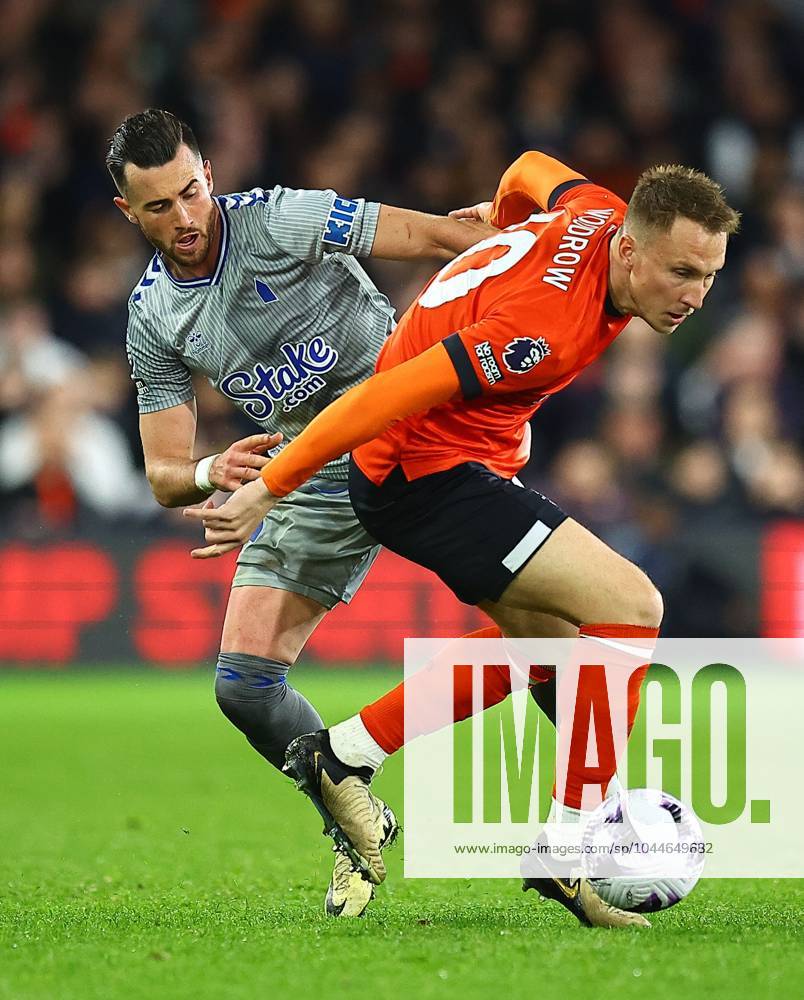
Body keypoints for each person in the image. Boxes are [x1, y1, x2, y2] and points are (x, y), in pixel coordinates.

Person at [184, 150, 740, 926]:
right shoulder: (542, 329)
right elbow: (383, 395)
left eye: (709, 275)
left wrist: (504, 217)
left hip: (451, 462)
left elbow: (531, 166)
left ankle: (344, 751)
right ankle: (569, 841)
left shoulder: (597, 211)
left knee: (544, 642)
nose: (695, 295)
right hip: (420, 476)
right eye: (682, 271)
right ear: (629, 248)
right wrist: (267, 489)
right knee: (631, 604)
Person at [108, 108, 494, 918]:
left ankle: (585, 816)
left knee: (536, 616)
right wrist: (215, 468)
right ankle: (356, 824)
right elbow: (164, 475)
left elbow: (430, 240)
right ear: (127, 212)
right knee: (243, 686)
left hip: (407, 424)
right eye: (158, 207)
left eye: (190, 192)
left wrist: (545, 264)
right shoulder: (153, 318)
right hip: (305, 464)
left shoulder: (281, 217)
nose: (183, 219)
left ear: (209, 171)